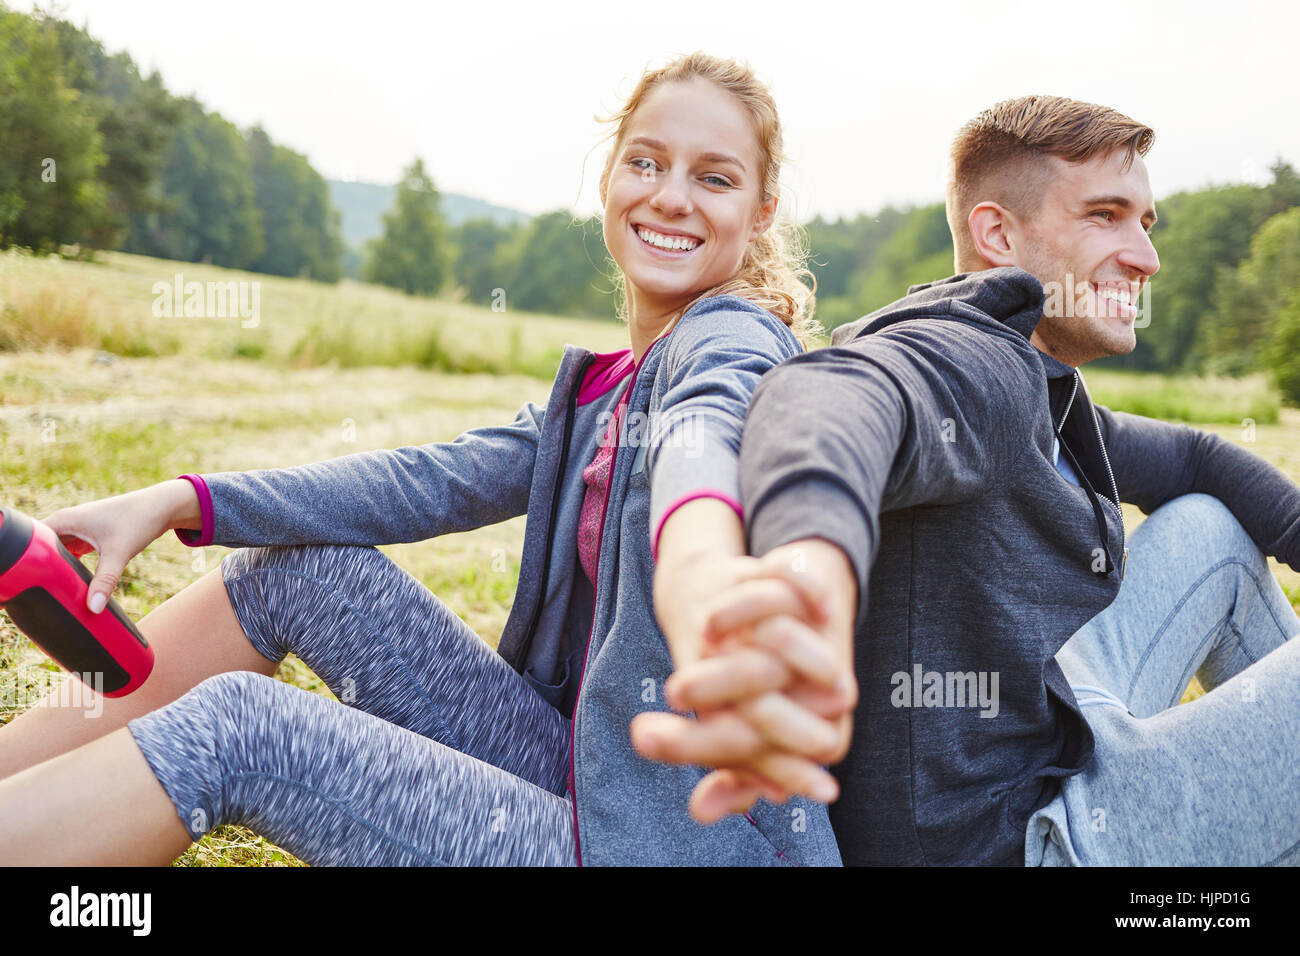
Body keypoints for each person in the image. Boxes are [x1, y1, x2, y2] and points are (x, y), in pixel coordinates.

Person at [0, 51, 848, 867]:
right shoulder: (607, 392)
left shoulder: (733, 341)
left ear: (762, 210)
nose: (670, 198)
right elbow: (428, 479)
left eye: (714, 177)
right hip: (592, 775)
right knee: (303, 573)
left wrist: (699, 551)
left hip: (669, 844)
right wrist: (180, 499)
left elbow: (706, 429)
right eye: (647, 163)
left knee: (242, 731)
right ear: (608, 178)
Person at [637, 94, 1300, 865]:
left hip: (1047, 729)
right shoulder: (978, 359)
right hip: (1029, 840)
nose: (1146, 258)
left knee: (1208, 531)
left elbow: (1193, 458)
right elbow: (828, 396)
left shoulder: (1040, 376)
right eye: (1105, 215)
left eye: (1145, 224)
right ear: (997, 234)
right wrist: (808, 564)